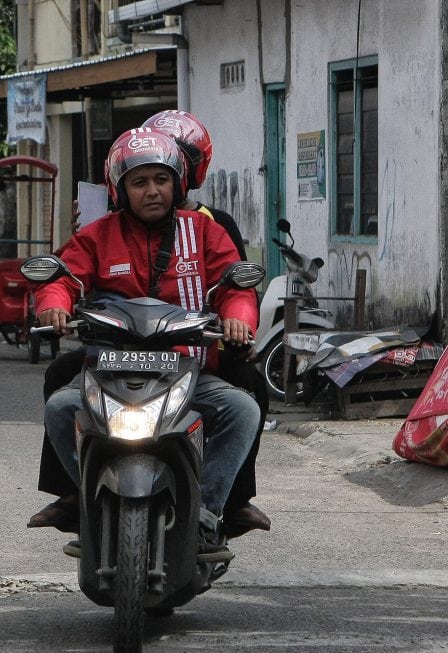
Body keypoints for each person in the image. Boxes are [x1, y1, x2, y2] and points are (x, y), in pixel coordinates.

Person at [29, 111, 271, 539]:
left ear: (178, 182)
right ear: (120, 190)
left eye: (161, 179)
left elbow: (234, 286)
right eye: (139, 182)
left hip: (187, 368)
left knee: (243, 408)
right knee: (60, 408)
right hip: (110, 367)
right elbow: (64, 277)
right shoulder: (98, 234)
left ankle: (209, 510)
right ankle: (84, 496)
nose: (152, 190)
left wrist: (238, 318)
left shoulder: (205, 231)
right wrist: (54, 305)